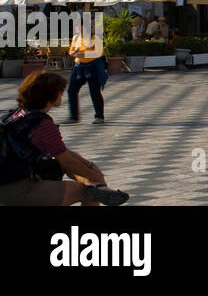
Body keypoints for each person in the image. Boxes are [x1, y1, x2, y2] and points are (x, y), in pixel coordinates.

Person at [0, 72, 129, 206]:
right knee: (89, 192)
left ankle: (96, 186)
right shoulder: (40, 123)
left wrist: (89, 165)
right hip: (15, 189)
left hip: (11, 177)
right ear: (50, 94)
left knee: (67, 164)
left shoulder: (16, 115)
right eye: (60, 91)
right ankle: (97, 188)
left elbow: (63, 153)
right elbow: (67, 161)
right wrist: (98, 177)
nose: (62, 94)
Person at [66, 15, 107, 125]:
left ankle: (99, 116)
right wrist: (75, 53)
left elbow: (100, 52)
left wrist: (84, 53)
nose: (77, 28)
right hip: (79, 67)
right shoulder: (76, 38)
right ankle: (73, 116)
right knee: (71, 90)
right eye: (76, 26)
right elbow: (71, 51)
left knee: (94, 91)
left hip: (92, 67)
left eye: (79, 26)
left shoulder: (94, 38)